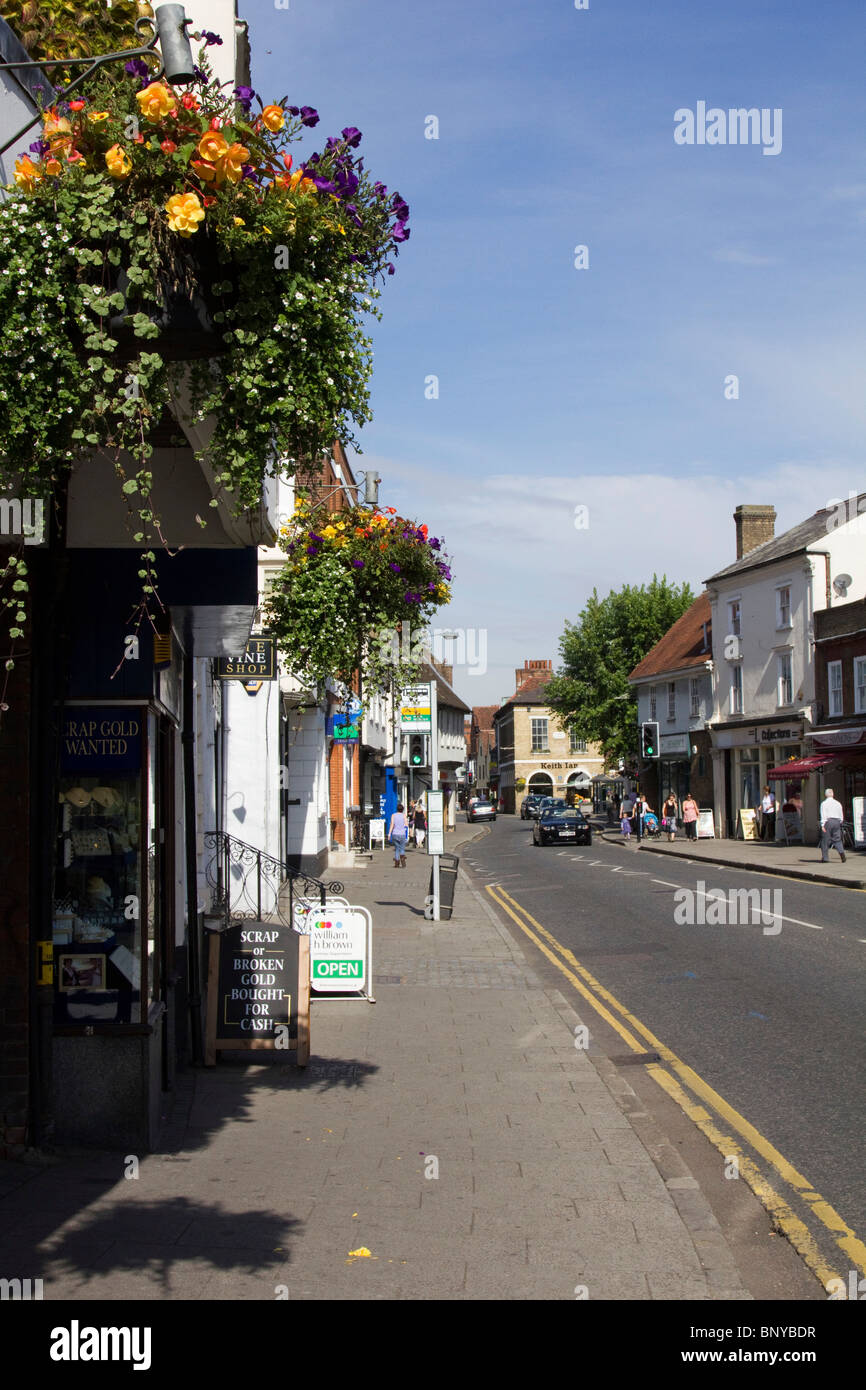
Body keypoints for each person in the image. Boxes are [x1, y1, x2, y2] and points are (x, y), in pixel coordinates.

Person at [819, 787, 846, 863]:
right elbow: (841, 815)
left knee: (825, 840)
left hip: (828, 822)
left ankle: (825, 858)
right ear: (833, 794)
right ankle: (842, 854)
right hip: (837, 821)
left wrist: (822, 825)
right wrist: (840, 822)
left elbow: (823, 815)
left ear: (825, 795)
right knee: (837, 839)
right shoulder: (838, 803)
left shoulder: (824, 803)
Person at [388, 802, 408, 868]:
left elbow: (392, 824)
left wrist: (389, 834)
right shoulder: (404, 815)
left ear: (397, 809)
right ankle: (402, 860)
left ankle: (396, 863)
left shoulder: (393, 815)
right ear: (402, 809)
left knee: (397, 849)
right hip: (402, 834)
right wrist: (407, 835)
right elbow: (406, 825)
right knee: (402, 848)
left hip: (395, 834)